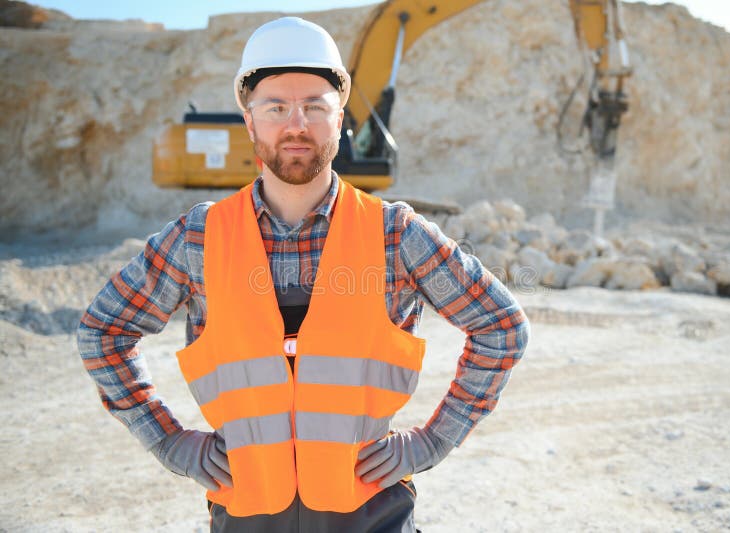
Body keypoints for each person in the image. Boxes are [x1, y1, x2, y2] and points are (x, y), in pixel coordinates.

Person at [77, 16, 529, 532]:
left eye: (316, 106)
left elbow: (501, 325)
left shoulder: (395, 236)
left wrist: (434, 440)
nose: (297, 124)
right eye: (276, 107)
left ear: (341, 120)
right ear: (250, 122)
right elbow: (103, 332)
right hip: (246, 513)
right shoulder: (198, 239)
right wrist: (167, 440)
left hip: (370, 514)